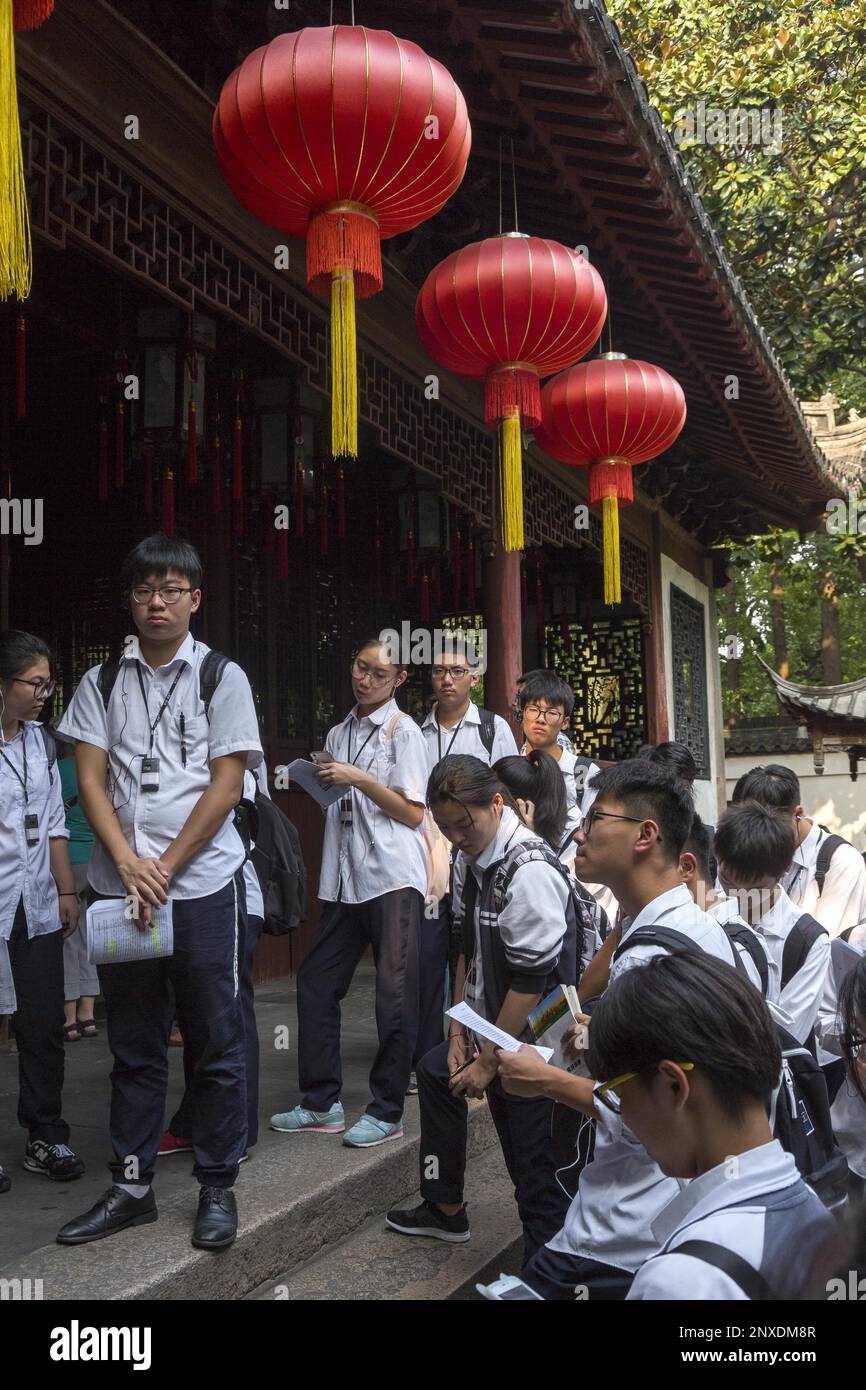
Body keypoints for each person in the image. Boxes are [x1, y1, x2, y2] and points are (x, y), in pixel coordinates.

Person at [55, 534, 262, 1250]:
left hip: (202, 884)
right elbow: (88, 780)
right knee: (134, 1042)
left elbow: (228, 784)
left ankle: (216, 1186)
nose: (157, 603)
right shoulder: (101, 681)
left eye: (172, 590)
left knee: (215, 1038)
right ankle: (133, 1184)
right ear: (131, 600)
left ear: (194, 600)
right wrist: (127, 863)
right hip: (123, 890)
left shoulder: (221, 677)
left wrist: (164, 866)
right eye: (145, 591)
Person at [495, 760, 744, 1300]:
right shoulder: (690, 926)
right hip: (660, 1210)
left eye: (595, 818)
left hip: (624, 1227)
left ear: (645, 835)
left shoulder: (651, 956)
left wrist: (544, 1081)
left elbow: (648, 1110)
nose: (579, 834)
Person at [385, 755, 577, 1261]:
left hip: (538, 1039)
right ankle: (444, 1207)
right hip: (490, 1026)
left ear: (496, 803)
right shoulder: (469, 858)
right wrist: (456, 1034)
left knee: (534, 1168)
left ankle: (550, 1274)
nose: (456, 837)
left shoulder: (528, 868)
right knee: (434, 1072)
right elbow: (463, 949)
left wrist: (490, 1060)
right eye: (445, 827)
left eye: (464, 824)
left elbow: (532, 981)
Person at [586, 951, 834, 1299]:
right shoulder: (811, 1210)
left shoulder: (682, 1282)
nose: (622, 1113)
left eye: (618, 1094)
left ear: (673, 1085)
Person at [271, 635, 428, 1148]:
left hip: (391, 879)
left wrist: (358, 778)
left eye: (378, 674)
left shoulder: (404, 733)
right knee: (316, 982)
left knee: (393, 995)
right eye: (360, 668)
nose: (364, 679)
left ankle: (387, 1110)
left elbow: (411, 812)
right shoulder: (339, 730)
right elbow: (339, 797)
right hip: (343, 882)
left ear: (399, 680)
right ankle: (321, 1102)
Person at [0, 630, 85, 1195]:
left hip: (34, 907)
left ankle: (45, 1132)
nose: (44, 694)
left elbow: (54, 821)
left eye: (49, 684)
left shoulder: (41, 743)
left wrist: (66, 891)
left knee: (42, 1024)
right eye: (36, 683)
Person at [412, 640, 518, 1077]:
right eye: (439, 671)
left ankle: (479, 1041)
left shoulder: (492, 729)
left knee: (470, 948)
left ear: (475, 677)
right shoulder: (416, 732)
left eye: (457, 671)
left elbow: (508, 791)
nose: (447, 679)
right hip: (428, 861)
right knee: (427, 954)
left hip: (478, 859)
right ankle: (430, 1052)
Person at [159, 763, 270, 1160]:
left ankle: (233, 1133)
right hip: (180, 899)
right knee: (197, 1017)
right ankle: (196, 1123)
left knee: (230, 1017)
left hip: (230, 896)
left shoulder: (237, 769)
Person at [714, 801, 830, 1050]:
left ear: (784, 870)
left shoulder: (808, 942)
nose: (738, 895)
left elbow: (786, 1038)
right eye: (725, 880)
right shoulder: (708, 917)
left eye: (753, 888)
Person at [731, 763, 866, 938]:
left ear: (798, 813)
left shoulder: (841, 862)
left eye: (771, 827)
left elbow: (826, 950)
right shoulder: (752, 854)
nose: (763, 838)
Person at [53, 726, 100, 1041]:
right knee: (89, 938)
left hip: (66, 861)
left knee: (68, 936)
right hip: (95, 860)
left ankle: (69, 1017)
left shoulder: (56, 770)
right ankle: (89, 1013)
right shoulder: (96, 769)